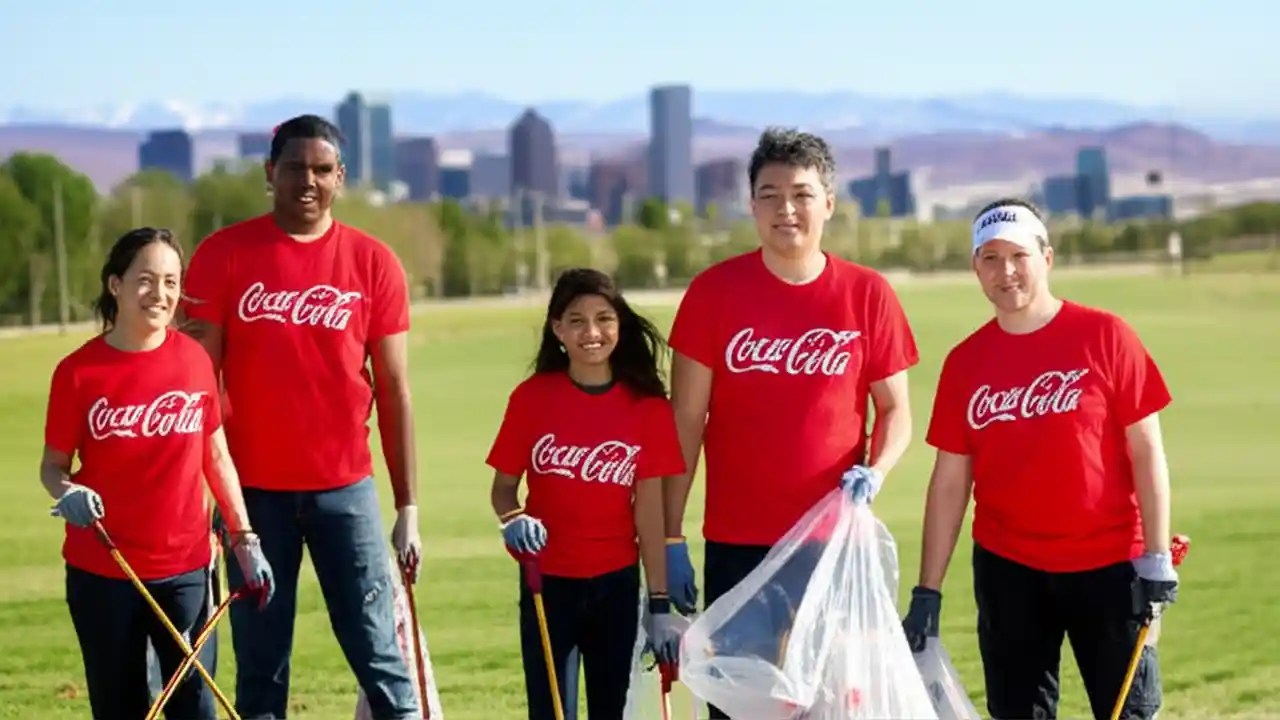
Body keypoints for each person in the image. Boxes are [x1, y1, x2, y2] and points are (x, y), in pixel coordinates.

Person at [661, 127, 919, 719]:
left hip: (829, 545)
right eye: (770, 194)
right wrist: (671, 537)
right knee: (737, 706)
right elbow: (686, 421)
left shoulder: (867, 294)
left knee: (828, 706)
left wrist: (875, 472)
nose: (786, 209)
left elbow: (897, 411)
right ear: (751, 205)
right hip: (737, 543)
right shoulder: (713, 294)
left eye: (802, 194)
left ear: (828, 202)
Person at [178, 114, 423, 720]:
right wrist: (207, 501)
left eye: (321, 170)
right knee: (261, 667)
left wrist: (407, 506)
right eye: (294, 169)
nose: (307, 182)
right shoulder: (224, 254)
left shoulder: (373, 262)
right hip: (254, 497)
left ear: (340, 177)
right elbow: (195, 388)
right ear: (270, 174)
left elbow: (394, 388)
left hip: (348, 491)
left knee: (381, 658)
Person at [901, 198, 1179, 720]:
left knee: (1130, 712)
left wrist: (1157, 558)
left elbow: (1147, 452)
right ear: (975, 268)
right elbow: (949, 483)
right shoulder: (966, 362)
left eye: (1018, 255)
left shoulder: (1106, 336)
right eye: (989, 257)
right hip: (1010, 570)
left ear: (1046, 258)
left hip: (1112, 564)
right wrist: (927, 590)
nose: (1005, 271)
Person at [42, 227, 273, 720]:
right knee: (121, 707)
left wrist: (244, 537)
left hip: (187, 569)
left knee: (193, 707)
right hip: (104, 570)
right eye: (145, 280)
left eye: (171, 281)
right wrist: (69, 493)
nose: (161, 294)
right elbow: (53, 466)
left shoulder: (194, 360)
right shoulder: (77, 372)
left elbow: (216, 455)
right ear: (115, 285)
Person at [486, 268, 686, 720]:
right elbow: (502, 488)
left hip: (616, 585)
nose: (591, 332)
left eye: (603, 318)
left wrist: (658, 604)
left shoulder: (648, 408)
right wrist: (514, 518)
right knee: (551, 710)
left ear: (620, 324)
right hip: (547, 583)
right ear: (557, 329)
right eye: (576, 320)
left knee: (609, 711)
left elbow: (649, 513)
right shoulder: (532, 398)